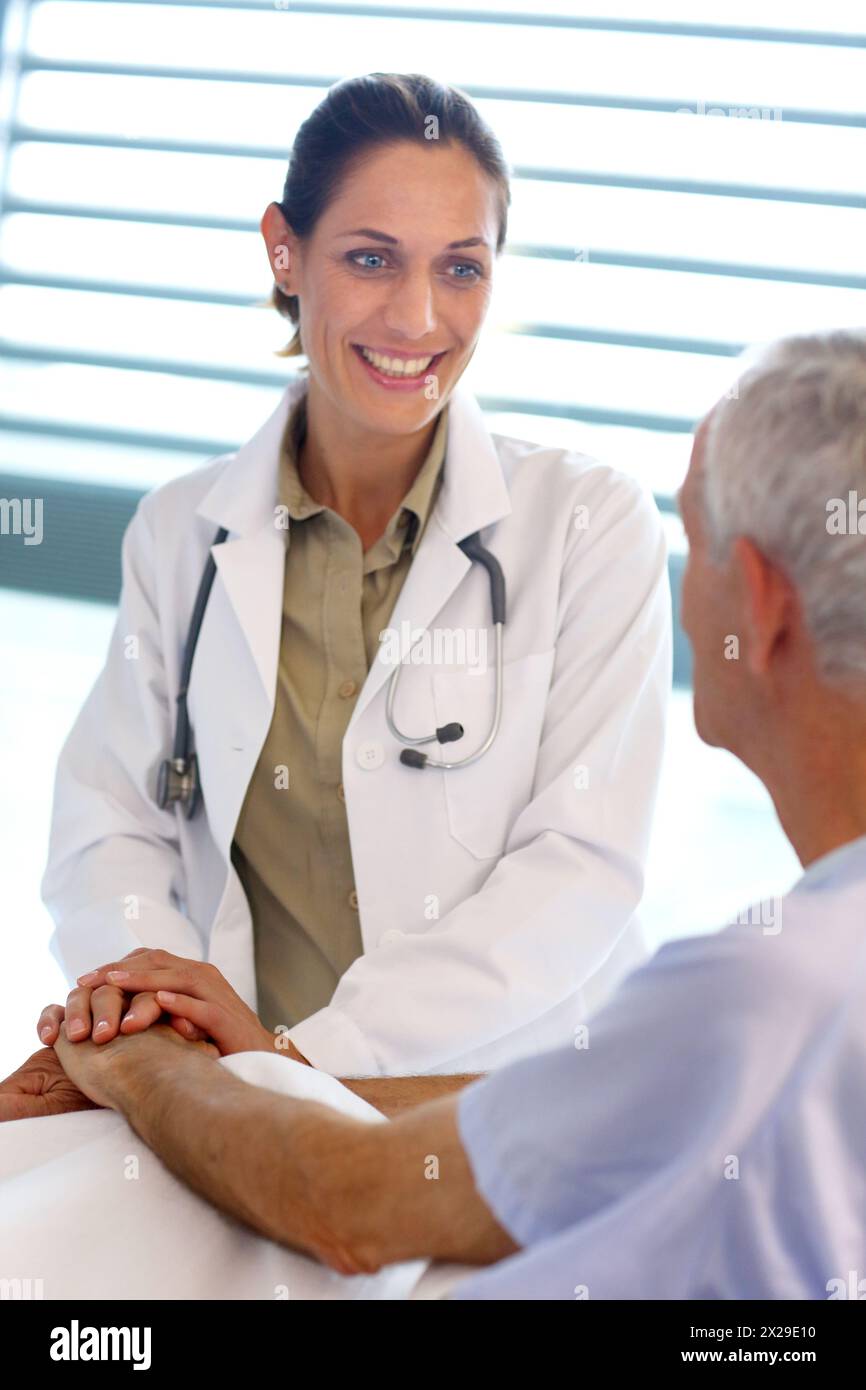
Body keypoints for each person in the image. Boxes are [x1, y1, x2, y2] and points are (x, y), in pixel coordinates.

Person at [7, 327, 865, 1300]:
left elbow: (344, 1204)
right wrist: (257, 1061)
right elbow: (569, 1117)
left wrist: (136, 1064)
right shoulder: (789, 993)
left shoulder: (764, 994)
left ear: (756, 602)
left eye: (698, 545)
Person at [31, 72, 671, 1097]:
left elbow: (578, 871)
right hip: (242, 1111)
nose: (417, 317)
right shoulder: (179, 534)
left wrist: (297, 1062)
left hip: (505, 1113)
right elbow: (110, 824)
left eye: (459, 268)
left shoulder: (589, 524)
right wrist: (151, 1005)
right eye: (370, 259)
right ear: (283, 252)